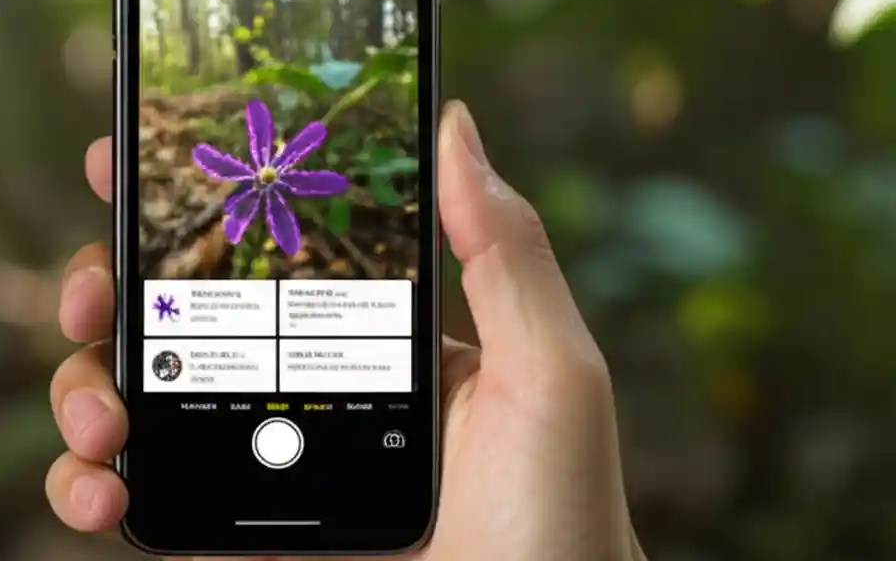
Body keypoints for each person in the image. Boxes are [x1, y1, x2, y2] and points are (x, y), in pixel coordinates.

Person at [47, 101, 649, 560]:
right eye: (259, 167)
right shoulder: (241, 195)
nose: (265, 172)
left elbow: (312, 182)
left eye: (271, 166)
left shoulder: (290, 193)